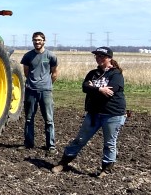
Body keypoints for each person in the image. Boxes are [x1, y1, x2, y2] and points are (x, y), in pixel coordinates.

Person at [52, 47, 126, 177]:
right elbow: (85, 87)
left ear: (109, 58)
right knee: (80, 139)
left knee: (109, 143)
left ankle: (106, 169)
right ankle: (63, 163)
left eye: (101, 56)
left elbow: (110, 91)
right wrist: (99, 90)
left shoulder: (116, 74)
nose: (98, 58)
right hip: (94, 113)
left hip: (112, 114)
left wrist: (94, 87)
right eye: (97, 56)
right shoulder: (93, 73)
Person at [21, 31, 59, 154]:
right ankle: (28, 144)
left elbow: (54, 73)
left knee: (49, 119)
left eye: (39, 40)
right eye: (35, 40)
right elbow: (26, 73)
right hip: (31, 90)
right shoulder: (27, 56)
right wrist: (33, 83)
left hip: (46, 91)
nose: (37, 42)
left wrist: (47, 84)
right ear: (32, 41)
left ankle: (51, 145)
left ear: (44, 40)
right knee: (29, 118)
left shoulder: (51, 56)